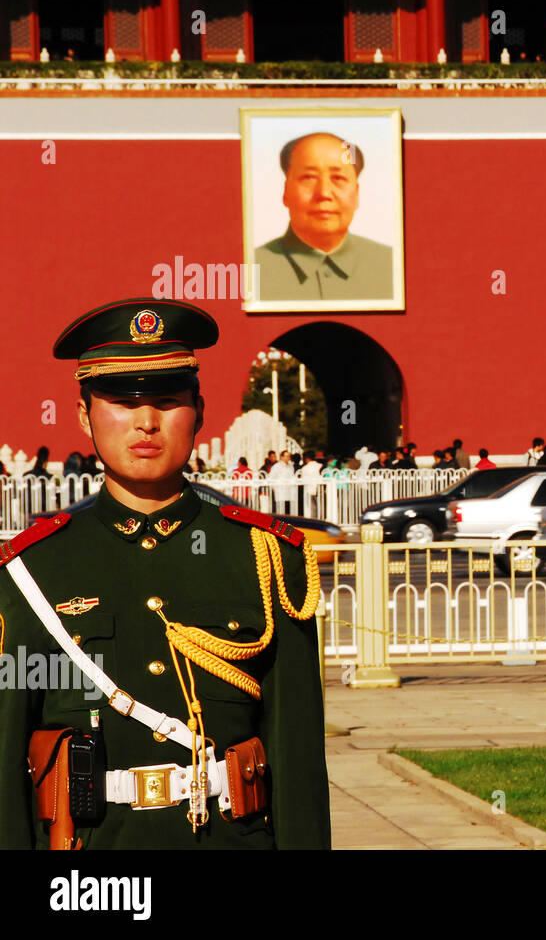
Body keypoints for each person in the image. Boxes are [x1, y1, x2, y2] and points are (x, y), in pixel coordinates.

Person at [0, 298, 328, 848]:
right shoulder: (34, 568)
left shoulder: (266, 557)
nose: (145, 422)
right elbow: (7, 756)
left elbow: (296, 761)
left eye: (167, 401)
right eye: (122, 403)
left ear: (199, 412)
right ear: (84, 416)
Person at [253, 133, 394, 302]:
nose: (324, 193)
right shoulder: (250, 270)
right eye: (309, 178)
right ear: (285, 192)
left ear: (356, 194)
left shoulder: (392, 266)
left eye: (338, 178)